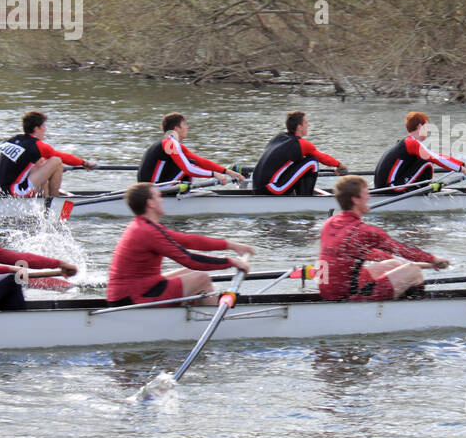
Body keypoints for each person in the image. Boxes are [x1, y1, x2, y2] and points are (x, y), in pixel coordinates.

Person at [107, 182, 254, 306]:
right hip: (130, 299)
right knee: (202, 279)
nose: (162, 200)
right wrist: (231, 262)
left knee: (190, 275)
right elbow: (189, 260)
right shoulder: (147, 231)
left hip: (134, 290)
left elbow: (189, 240)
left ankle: (197, 311)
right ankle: (213, 320)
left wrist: (232, 245)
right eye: (158, 196)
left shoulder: (143, 225)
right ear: (150, 203)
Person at [318, 175, 451, 300]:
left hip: (328, 290)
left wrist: (426, 264)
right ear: (355, 200)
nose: (369, 198)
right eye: (366, 193)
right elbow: (404, 250)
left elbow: (371, 254)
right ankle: (413, 310)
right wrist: (434, 259)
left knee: (395, 264)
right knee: (414, 271)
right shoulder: (363, 231)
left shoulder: (329, 223)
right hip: (348, 295)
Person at [373, 111, 466, 190]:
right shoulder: (412, 143)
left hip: (385, 186)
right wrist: (464, 171)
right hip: (391, 188)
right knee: (427, 162)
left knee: (429, 158)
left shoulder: (409, 142)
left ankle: (420, 190)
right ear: (420, 126)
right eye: (427, 127)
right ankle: (424, 192)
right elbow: (436, 158)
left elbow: (439, 156)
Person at [0, 110, 93, 198]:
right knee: (56, 161)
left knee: (41, 162)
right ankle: (54, 200)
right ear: (36, 128)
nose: (45, 129)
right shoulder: (37, 145)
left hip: (2, 190)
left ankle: (45, 197)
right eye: (44, 126)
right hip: (17, 191)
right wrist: (84, 163)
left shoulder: (10, 141)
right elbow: (63, 157)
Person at [252, 111, 347, 196]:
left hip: (256, 187)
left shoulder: (278, 137)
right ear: (299, 127)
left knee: (301, 161)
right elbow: (322, 158)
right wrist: (339, 165)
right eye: (306, 122)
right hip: (272, 189)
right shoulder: (301, 144)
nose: (308, 125)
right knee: (312, 162)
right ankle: (305, 198)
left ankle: (299, 194)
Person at [137, 113, 243, 186]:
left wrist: (227, 171)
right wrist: (214, 174)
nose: (187, 127)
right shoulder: (170, 143)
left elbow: (200, 161)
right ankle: (182, 194)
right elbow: (188, 169)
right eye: (184, 124)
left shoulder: (169, 143)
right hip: (153, 188)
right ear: (176, 128)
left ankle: (183, 191)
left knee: (193, 162)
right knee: (190, 164)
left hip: (151, 184)